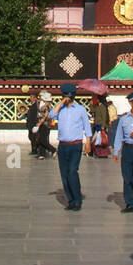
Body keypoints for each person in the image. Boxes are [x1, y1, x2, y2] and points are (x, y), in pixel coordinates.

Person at [51, 83, 91, 211]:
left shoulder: (80, 109)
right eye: (65, 95)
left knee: (72, 172)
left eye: (69, 96)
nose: (68, 98)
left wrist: (88, 142)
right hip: (63, 146)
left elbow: (87, 126)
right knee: (64, 174)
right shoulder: (60, 109)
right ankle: (71, 200)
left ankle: (77, 200)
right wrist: (61, 102)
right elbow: (51, 115)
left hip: (75, 145)